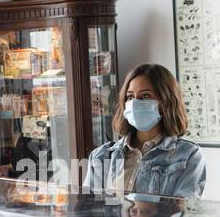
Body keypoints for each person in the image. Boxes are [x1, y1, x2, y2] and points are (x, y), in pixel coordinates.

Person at [84, 63, 206, 198]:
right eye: (130, 97)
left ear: (166, 101)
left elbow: (182, 213)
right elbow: (89, 210)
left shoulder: (188, 155)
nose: (135, 103)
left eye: (145, 96)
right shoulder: (101, 156)